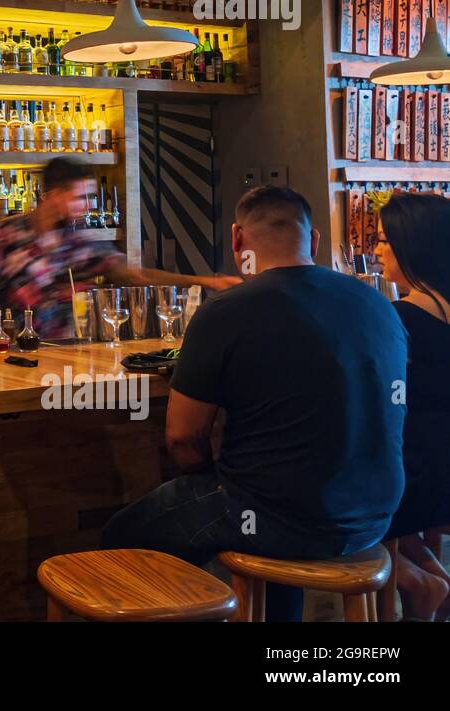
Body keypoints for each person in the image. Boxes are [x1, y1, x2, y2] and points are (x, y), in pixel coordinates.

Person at [101, 186, 407, 620]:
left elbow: (183, 438)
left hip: (277, 518)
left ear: (236, 240)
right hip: (375, 514)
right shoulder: (377, 303)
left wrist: (210, 486)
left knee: (122, 534)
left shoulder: (224, 311)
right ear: (314, 240)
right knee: (272, 498)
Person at [0, 155, 239, 339]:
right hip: (7, 356)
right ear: (53, 196)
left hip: (63, 356)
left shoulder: (78, 244)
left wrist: (204, 281)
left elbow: (136, 275)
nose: (89, 205)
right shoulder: (6, 236)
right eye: (81, 197)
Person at [375, 192, 450, 621]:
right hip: (439, 471)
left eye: (385, 241)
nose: (377, 250)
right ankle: (434, 579)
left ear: (412, 245)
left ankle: (418, 584)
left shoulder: (396, 318)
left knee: (330, 495)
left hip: (417, 478)